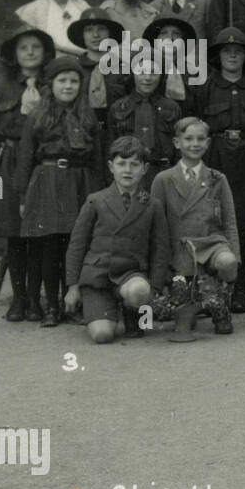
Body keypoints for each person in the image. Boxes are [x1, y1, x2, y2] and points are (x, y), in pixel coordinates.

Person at [188, 27, 245, 311]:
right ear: (218, 56)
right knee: (212, 221)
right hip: (216, 156)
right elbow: (196, 131)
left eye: (238, 52)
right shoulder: (206, 87)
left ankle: (237, 290)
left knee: (243, 225)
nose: (233, 56)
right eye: (227, 51)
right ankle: (211, 290)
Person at [15, 56, 104, 327]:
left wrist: (99, 194)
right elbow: (25, 157)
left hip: (80, 182)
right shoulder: (37, 117)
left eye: (74, 81)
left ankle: (72, 302)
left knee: (75, 244)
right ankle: (51, 305)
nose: (68, 86)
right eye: (62, 80)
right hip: (48, 180)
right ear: (50, 84)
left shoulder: (88, 116)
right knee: (49, 245)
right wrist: (21, 196)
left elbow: (97, 159)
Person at [63, 135, 169, 343]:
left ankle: (132, 311)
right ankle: (107, 311)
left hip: (131, 274)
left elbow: (161, 248)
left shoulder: (152, 205)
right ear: (111, 167)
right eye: (121, 164)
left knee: (139, 290)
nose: (127, 170)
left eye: (134, 164)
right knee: (102, 336)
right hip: (97, 277)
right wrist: (72, 287)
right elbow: (77, 245)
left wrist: (154, 289)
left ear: (145, 169)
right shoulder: (96, 200)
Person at [149, 117, 241, 341]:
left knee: (227, 262)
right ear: (176, 142)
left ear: (208, 143)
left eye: (200, 139)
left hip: (210, 244)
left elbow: (229, 221)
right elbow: (155, 225)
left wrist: (235, 257)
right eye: (188, 138)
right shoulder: (163, 179)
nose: (195, 144)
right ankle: (190, 305)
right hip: (179, 248)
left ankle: (221, 305)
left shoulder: (217, 178)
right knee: (184, 321)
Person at [0, 24, 56, 322]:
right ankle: (17, 299)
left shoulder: (53, 83)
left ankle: (35, 299)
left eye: (36, 47)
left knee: (39, 232)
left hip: (41, 161)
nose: (30, 52)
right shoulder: (2, 86)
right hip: (12, 159)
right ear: (14, 54)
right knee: (15, 232)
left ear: (45, 54)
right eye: (23, 47)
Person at [106, 61, 181, 190]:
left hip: (163, 174)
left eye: (153, 72)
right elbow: (110, 147)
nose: (147, 78)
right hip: (129, 175)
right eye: (141, 72)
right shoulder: (119, 108)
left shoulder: (171, 108)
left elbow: (179, 148)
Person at [67, 7, 130, 126]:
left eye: (101, 29)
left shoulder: (123, 69)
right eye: (89, 30)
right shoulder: (73, 69)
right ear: (82, 35)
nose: (95, 35)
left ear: (109, 34)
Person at [141, 16, 204, 106]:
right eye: (163, 33)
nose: (170, 38)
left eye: (176, 34)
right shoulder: (142, 70)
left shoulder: (193, 73)